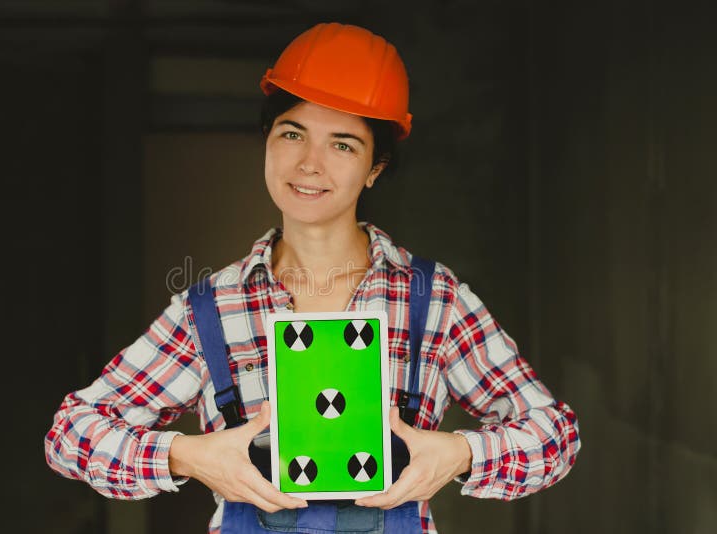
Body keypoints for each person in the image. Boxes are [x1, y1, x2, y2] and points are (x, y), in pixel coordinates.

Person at [44, 22, 580, 534]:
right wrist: (187, 457)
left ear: (375, 168)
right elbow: (71, 434)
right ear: (267, 141)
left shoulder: (432, 301)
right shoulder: (212, 308)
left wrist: (461, 454)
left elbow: (554, 437)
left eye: (342, 144)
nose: (309, 163)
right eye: (293, 133)